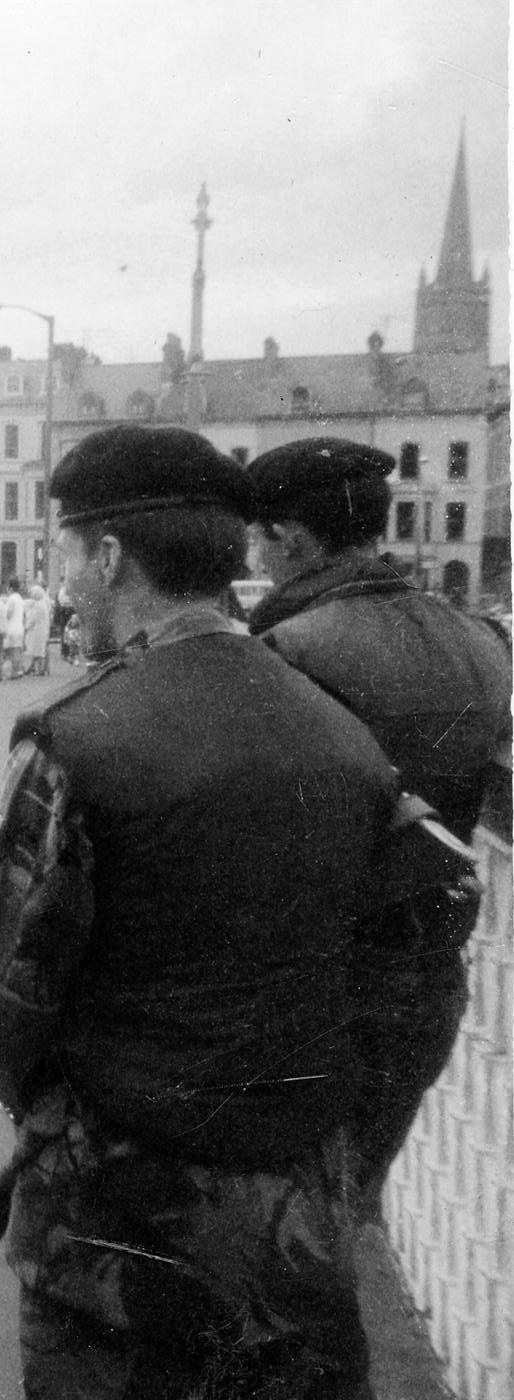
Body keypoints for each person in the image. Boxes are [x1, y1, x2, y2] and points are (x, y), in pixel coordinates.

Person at [0, 424, 401, 1399]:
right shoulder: (344, 734)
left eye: (66, 556)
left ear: (110, 556)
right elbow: (412, 958)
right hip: (298, 1249)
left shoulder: (75, 735)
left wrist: (66, 1117)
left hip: (115, 1254)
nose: (63, 582)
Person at [246, 436, 512, 1208]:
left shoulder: (287, 650)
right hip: (427, 981)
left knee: (280, 1233)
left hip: (315, 991)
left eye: (261, 541)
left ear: (290, 540)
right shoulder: (481, 642)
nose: (257, 561)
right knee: (348, 1206)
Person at [21, 584, 51, 677]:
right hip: (43, 629)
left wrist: (26, 627)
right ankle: (39, 668)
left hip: (38, 631)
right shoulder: (43, 603)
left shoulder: (38, 605)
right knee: (41, 649)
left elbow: (32, 619)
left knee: (38, 650)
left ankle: (40, 670)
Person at [2, 576, 27, 678]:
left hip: (12, 627)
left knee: (12, 651)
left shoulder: (11, 599)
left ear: (10, 588)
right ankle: (19, 669)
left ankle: (14, 671)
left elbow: (8, 614)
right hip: (19, 627)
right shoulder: (20, 599)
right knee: (17, 650)